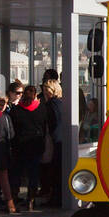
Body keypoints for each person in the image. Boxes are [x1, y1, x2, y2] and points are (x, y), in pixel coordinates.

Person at [8, 84, 47, 211]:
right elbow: (46, 125)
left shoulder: (16, 110)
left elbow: (12, 128)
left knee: (17, 173)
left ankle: (13, 198)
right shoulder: (41, 108)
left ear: (24, 95)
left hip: (20, 146)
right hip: (36, 145)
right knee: (33, 174)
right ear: (35, 95)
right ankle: (31, 200)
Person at [39, 79, 65, 207]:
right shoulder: (61, 103)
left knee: (54, 170)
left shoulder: (51, 105)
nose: (44, 94)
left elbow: (52, 123)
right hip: (61, 139)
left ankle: (55, 198)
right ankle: (58, 197)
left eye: (46, 91)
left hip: (55, 140)